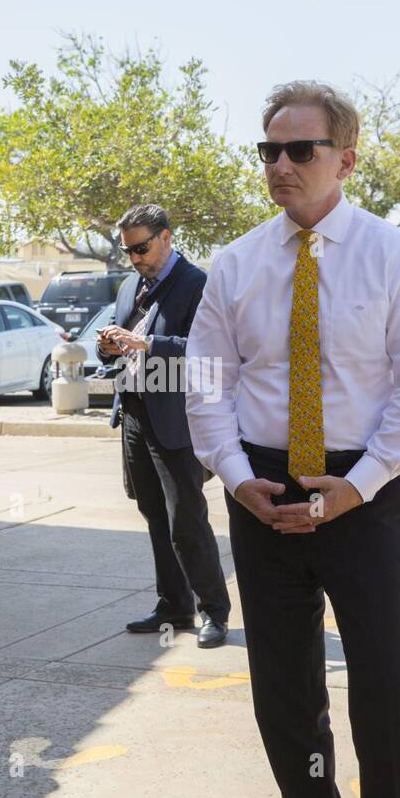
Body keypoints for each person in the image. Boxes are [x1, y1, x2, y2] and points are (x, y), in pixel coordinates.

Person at [185, 81, 400, 798]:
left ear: (347, 160)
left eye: (301, 149)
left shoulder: (393, 257)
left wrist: (357, 486)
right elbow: (207, 384)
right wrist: (236, 479)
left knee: (384, 680)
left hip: (362, 491)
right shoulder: (235, 265)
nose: (280, 164)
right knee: (283, 689)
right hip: (261, 491)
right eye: (269, 150)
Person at [99, 205, 230, 648]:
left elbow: (210, 351)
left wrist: (148, 342)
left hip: (176, 418)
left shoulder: (196, 284)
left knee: (185, 518)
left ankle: (214, 610)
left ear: (167, 237)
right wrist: (108, 347)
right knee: (153, 512)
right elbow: (114, 351)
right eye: (127, 251)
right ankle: (173, 605)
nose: (135, 258)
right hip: (135, 412)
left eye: (141, 248)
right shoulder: (129, 286)